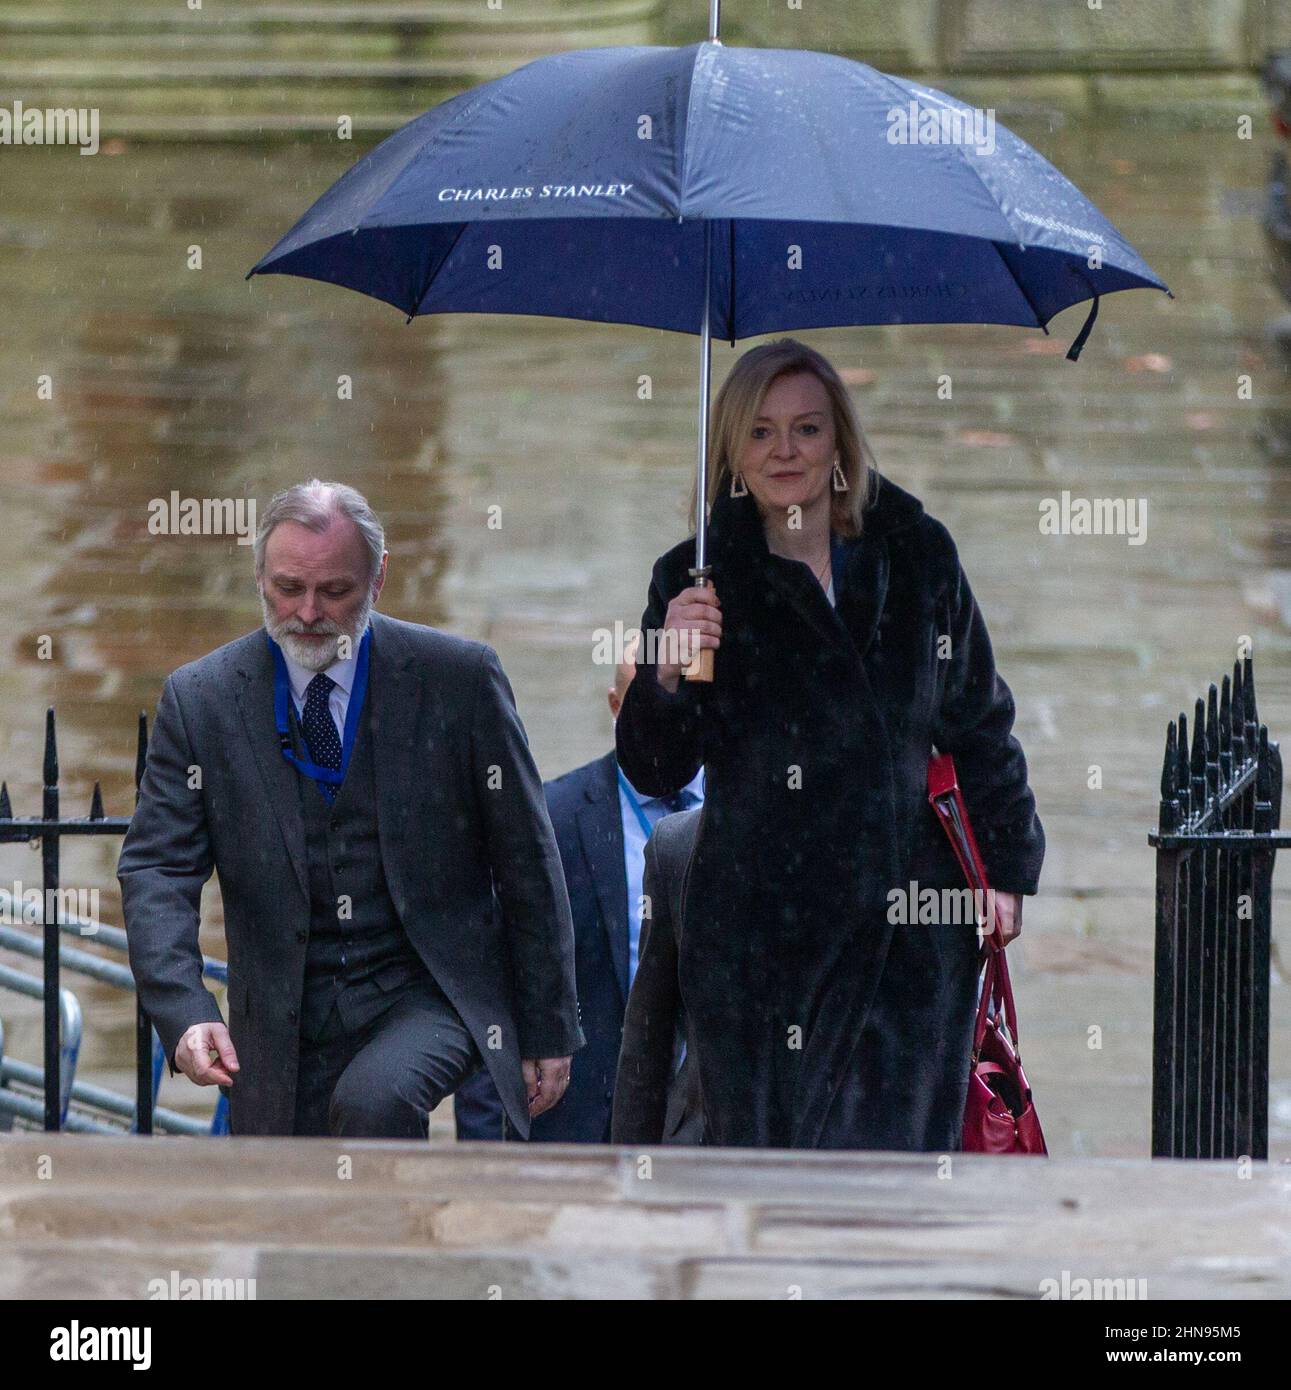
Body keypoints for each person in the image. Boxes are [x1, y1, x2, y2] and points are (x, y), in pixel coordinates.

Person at [613, 337, 1045, 1151]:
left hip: (907, 923)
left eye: (806, 430)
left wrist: (1007, 871)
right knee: (775, 1176)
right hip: (755, 935)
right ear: (732, 449)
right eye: (761, 432)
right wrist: (666, 671)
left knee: (889, 1176)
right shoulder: (696, 578)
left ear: (839, 439)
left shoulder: (916, 552)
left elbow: (979, 719)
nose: (785, 452)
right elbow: (657, 768)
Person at [118, 479, 583, 1138]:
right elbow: (157, 870)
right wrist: (185, 1008)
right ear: (258, 578)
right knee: (288, 1213)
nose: (307, 612)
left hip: (428, 992)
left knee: (375, 1101)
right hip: (280, 1012)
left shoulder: (459, 679)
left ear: (379, 578)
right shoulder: (202, 700)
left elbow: (526, 859)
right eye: (287, 589)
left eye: (334, 591)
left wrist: (548, 1027)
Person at [455, 639, 704, 1142]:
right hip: (581, 1134)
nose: (663, 721)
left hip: (717, 1131)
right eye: (644, 700)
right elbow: (493, 989)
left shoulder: (748, 817)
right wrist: (483, 1151)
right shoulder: (551, 817)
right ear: (616, 706)